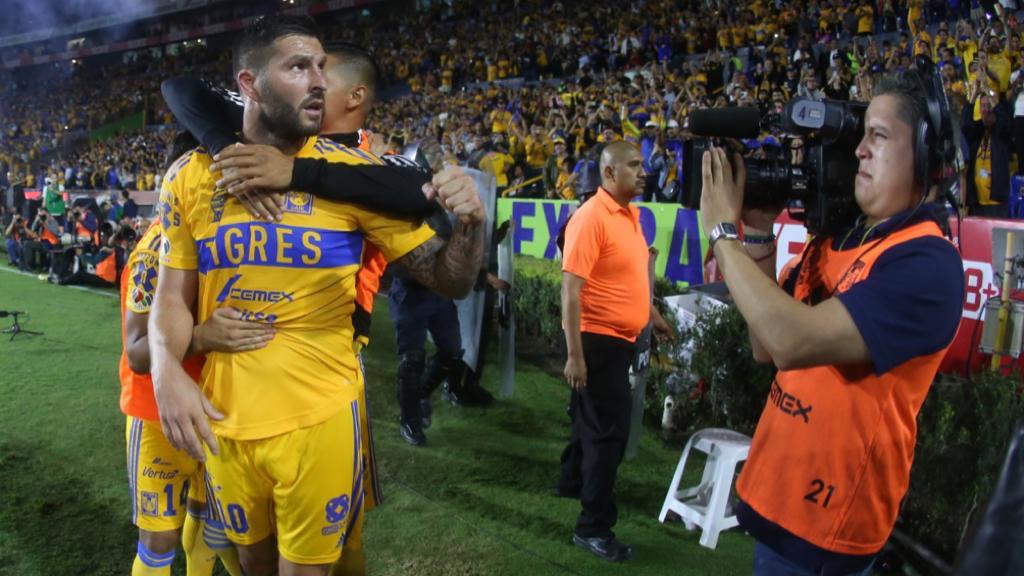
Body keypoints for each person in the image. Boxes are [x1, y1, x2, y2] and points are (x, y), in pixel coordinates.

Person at [150, 16, 485, 576]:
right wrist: (165, 369)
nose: (318, 82)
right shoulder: (193, 173)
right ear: (250, 86)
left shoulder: (354, 175)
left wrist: (471, 225)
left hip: (321, 418)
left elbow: (450, 279)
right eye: (299, 67)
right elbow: (168, 297)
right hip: (224, 420)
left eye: (322, 68)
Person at [698, 73, 963, 575]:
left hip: (828, 529)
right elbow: (765, 346)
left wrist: (722, 235)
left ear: (926, 157)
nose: (860, 151)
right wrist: (755, 229)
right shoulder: (837, 240)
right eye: (861, 136)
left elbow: (791, 341)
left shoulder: (928, 262)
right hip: (776, 504)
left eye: (879, 136)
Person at [120, 173, 252, 575]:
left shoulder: (211, 236)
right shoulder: (155, 249)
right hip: (157, 413)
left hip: (212, 405)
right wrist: (202, 337)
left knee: (213, 521)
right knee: (159, 540)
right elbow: (138, 353)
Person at [557, 141, 672, 562]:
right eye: (634, 165)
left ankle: (571, 482)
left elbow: (627, 276)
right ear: (609, 174)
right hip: (598, 341)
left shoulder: (630, 215)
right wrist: (574, 354)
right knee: (610, 435)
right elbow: (571, 290)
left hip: (615, 340)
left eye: (643, 165)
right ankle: (593, 527)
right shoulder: (591, 218)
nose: (644, 172)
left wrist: (651, 313)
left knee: (591, 425)